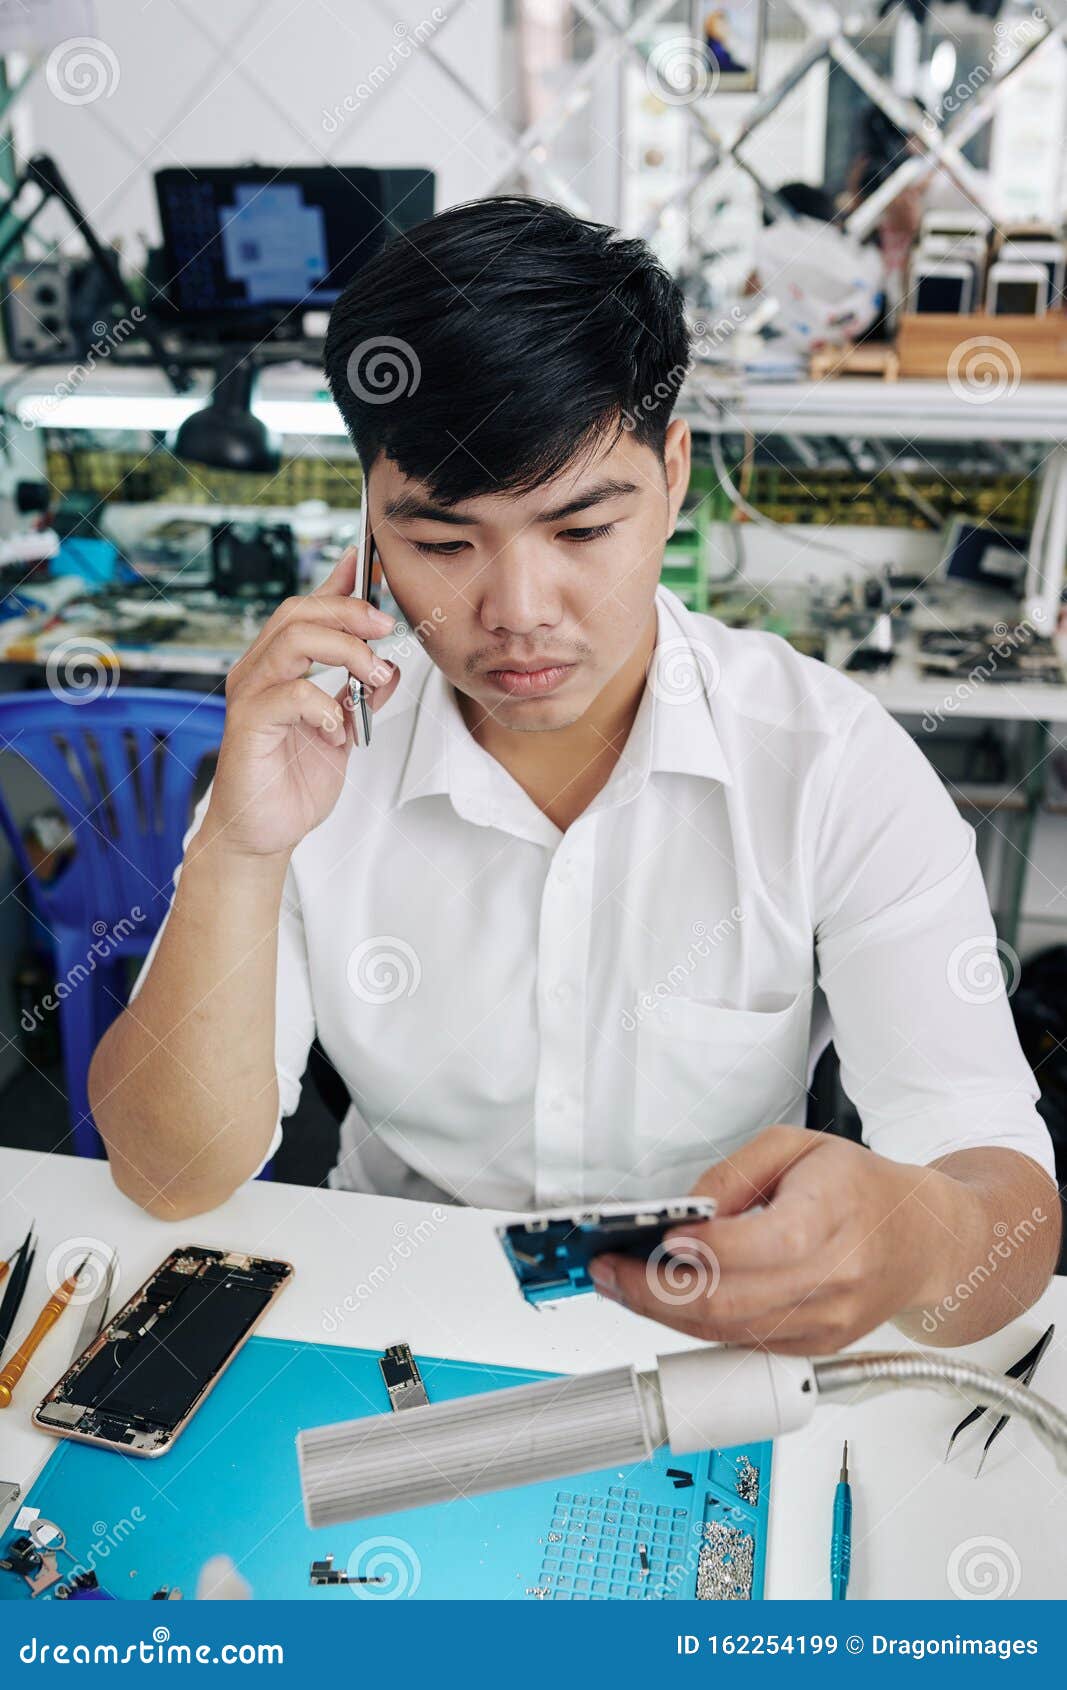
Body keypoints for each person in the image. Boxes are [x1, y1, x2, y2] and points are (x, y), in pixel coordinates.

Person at [89, 196, 1059, 1355]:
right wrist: (240, 854)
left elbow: (1002, 1200)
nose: (516, 614)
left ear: (672, 478)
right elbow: (168, 1173)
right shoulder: (305, 753)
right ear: (368, 530)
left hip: (718, 1332)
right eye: (443, 545)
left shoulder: (828, 764)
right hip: (390, 1321)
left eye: (582, 530)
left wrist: (914, 1237)